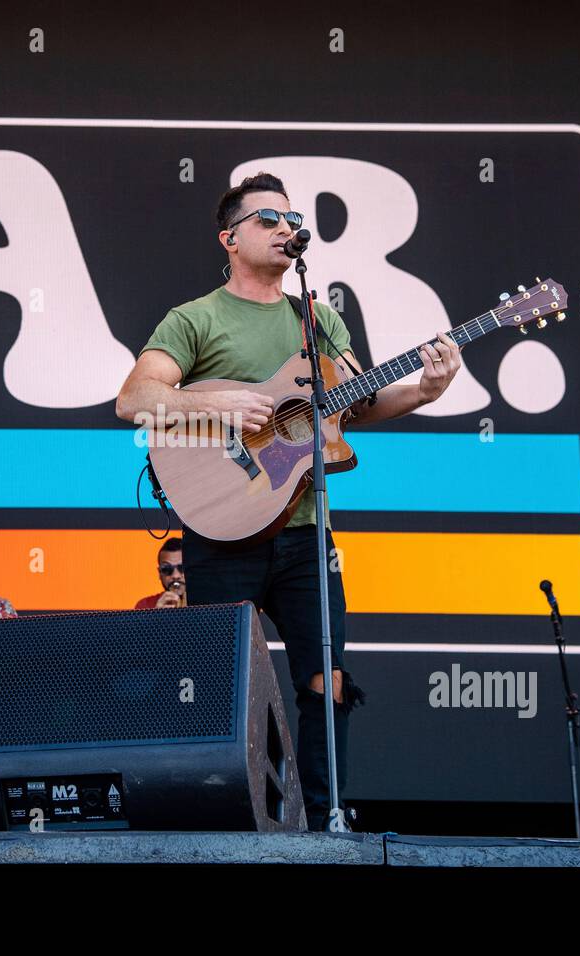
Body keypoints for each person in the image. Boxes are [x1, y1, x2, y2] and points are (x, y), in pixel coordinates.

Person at [114, 173, 462, 830]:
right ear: (230, 237)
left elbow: (350, 407)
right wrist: (214, 402)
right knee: (217, 687)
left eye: (290, 217)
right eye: (267, 218)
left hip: (306, 531)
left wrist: (424, 391)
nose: (283, 227)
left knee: (325, 682)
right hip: (220, 529)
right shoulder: (195, 318)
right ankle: (212, 823)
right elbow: (134, 400)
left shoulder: (318, 318)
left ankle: (327, 822)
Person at [134, 537, 186, 609]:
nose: (175, 575)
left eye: (182, 568)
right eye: (166, 569)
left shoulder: (205, 603)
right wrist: (156, 616)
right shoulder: (144, 607)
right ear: (159, 573)